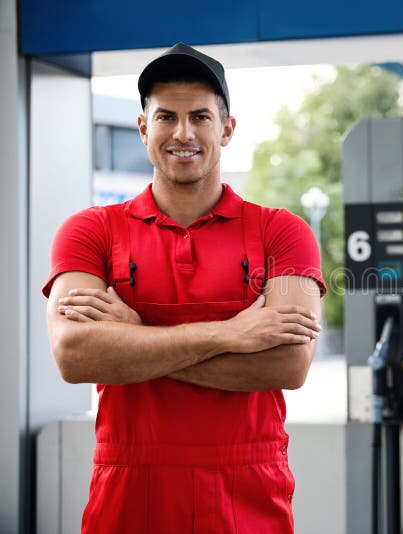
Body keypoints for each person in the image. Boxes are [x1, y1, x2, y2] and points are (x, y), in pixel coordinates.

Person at [43, 42, 325, 533]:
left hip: (247, 490)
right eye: (166, 117)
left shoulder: (281, 233)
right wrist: (228, 334)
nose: (183, 133)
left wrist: (135, 336)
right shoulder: (90, 232)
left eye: (200, 116)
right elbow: (75, 356)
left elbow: (287, 364)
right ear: (142, 127)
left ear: (227, 129)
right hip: (128, 487)